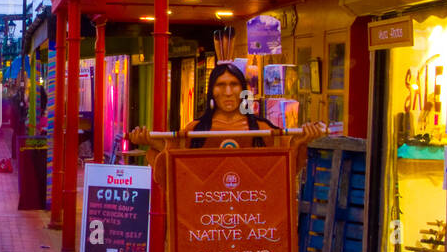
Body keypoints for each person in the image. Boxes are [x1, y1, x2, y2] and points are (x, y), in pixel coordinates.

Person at [130, 62, 327, 174]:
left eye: (234, 84)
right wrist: (151, 142)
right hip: (207, 215)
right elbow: (175, 164)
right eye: (221, 85)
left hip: (251, 214)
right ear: (211, 92)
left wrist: (301, 141)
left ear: (243, 90)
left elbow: (283, 167)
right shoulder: (196, 130)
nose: (228, 91)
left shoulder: (261, 128)